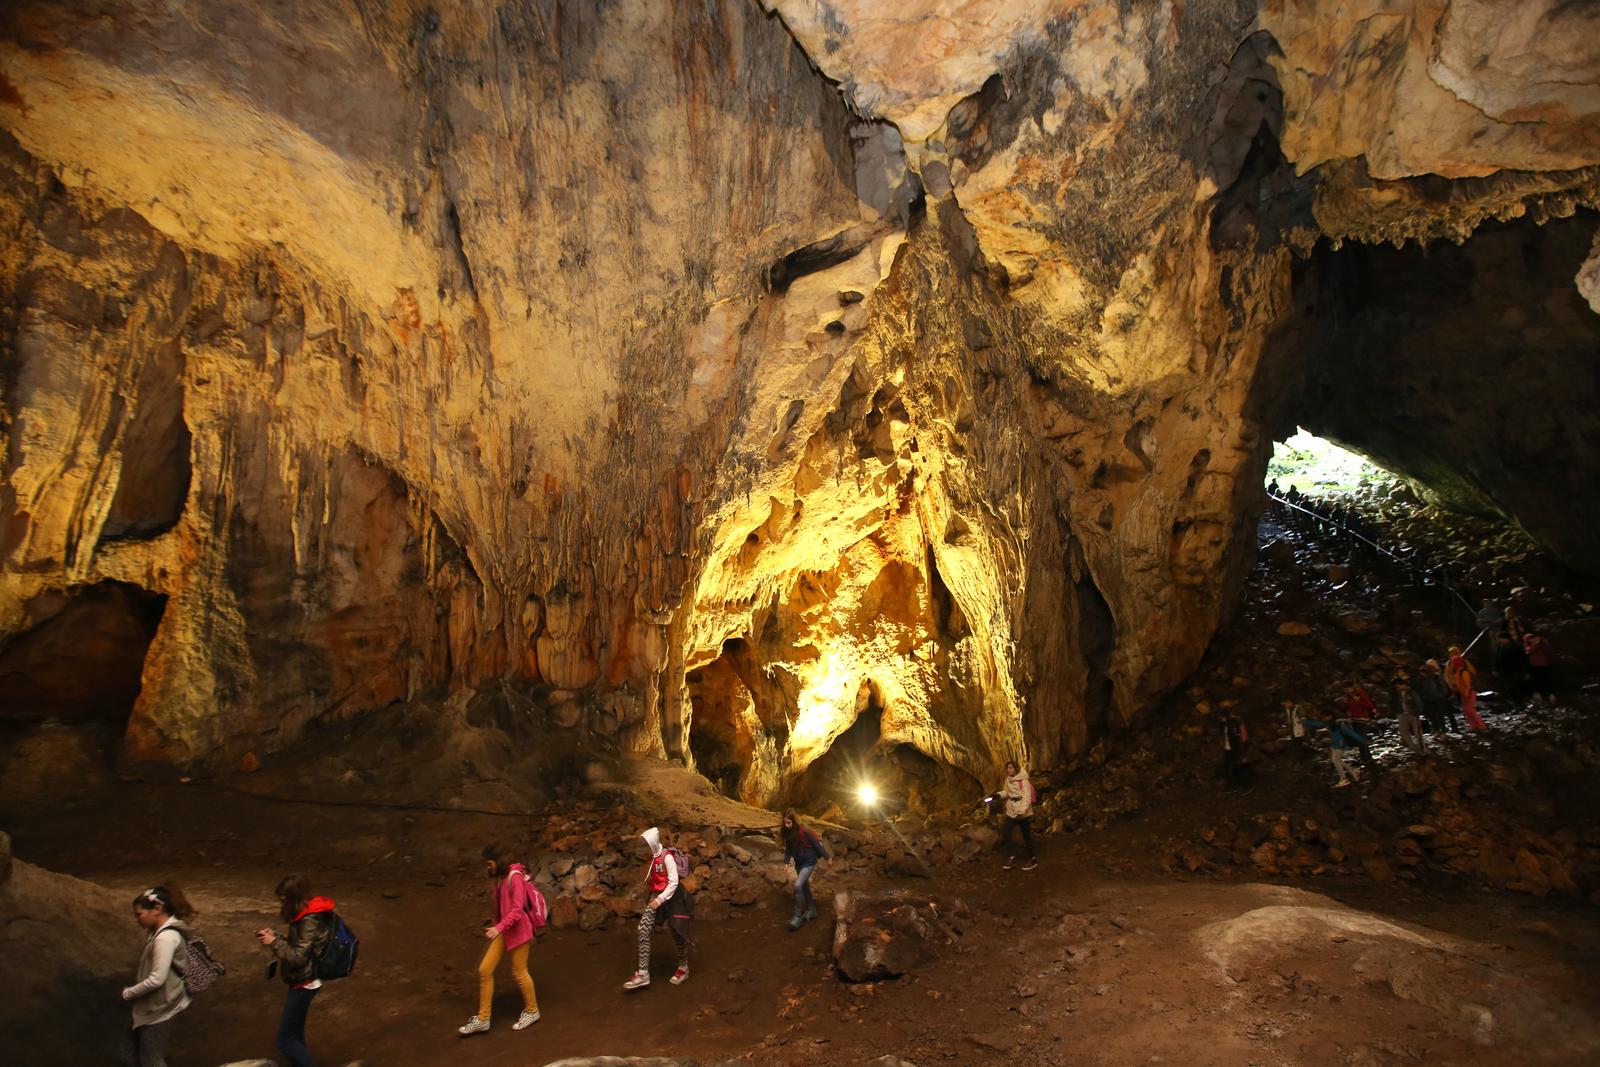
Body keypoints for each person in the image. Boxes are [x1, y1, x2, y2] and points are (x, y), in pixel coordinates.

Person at [458, 845, 540, 1036]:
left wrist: (498, 928)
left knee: (519, 972)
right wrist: (498, 927)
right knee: (485, 970)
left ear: (499, 862)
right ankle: (483, 1019)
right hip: (504, 930)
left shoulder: (515, 877)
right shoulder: (499, 879)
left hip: (519, 931)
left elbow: (517, 910)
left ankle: (532, 1010)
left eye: (489, 863)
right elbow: (500, 908)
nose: (487, 867)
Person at [257, 874, 334, 1067]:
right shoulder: (307, 914)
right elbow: (300, 945)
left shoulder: (309, 919)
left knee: (285, 1040)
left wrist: (274, 942)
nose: (281, 904)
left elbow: (298, 957)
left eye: (283, 900)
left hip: (304, 982)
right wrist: (277, 937)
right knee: (295, 1035)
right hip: (304, 979)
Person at [118, 885, 194, 1067]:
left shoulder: (165, 938)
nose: (137, 920)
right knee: (127, 1054)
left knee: (150, 1058)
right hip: (155, 1004)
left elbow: (157, 979)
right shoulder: (160, 932)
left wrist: (128, 993)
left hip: (162, 1008)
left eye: (139, 914)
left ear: (157, 910)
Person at [624, 827, 692, 991]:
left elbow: (674, 882)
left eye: (647, 845)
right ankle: (643, 973)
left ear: (653, 844)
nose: (644, 849)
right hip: (657, 897)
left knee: (677, 932)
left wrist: (660, 899)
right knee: (643, 928)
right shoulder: (654, 858)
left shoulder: (666, 858)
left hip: (673, 897)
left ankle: (683, 967)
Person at [780, 809, 831, 931]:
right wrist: (786, 863)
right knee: (804, 886)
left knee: (798, 886)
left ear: (794, 821)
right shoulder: (789, 833)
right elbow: (788, 849)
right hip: (799, 862)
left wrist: (827, 857)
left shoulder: (805, 830)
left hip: (809, 862)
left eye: (789, 823)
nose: (786, 826)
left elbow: (816, 845)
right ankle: (812, 910)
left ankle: (797, 918)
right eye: (785, 823)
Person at [1299, 716, 1365, 787]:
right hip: (1334, 744)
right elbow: (1318, 724)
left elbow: (1350, 733)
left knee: (1335, 760)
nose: (1324, 718)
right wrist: (1306, 722)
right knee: (1337, 760)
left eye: (1325, 717)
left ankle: (1344, 778)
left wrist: (1361, 740)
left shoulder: (1340, 723)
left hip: (1340, 744)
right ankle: (1353, 771)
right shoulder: (1330, 723)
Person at [995, 760, 1037, 871]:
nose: (1008, 770)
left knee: (1026, 836)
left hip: (1022, 813)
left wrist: (1021, 811)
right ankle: (1012, 857)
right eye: (1007, 768)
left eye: (1010, 768)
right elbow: (1007, 793)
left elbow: (1027, 798)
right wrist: (998, 795)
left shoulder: (1024, 781)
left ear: (1015, 768)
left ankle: (1032, 859)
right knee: (1005, 833)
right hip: (1011, 811)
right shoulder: (1008, 780)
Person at [1445, 645, 1485, 731]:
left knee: (1470, 709)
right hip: (1462, 691)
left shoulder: (1463, 671)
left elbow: (1467, 683)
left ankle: (1481, 725)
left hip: (1468, 692)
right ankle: (1473, 725)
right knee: (1466, 710)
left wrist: (1466, 693)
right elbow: (1449, 677)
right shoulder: (1452, 667)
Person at [1335, 685, 1377, 766]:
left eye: (1348, 688)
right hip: (1354, 719)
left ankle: (1366, 759)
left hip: (1362, 719)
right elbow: (1345, 707)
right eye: (1345, 689)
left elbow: (1369, 705)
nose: (1347, 690)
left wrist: (1358, 701)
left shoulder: (1360, 694)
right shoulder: (1347, 696)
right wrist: (1345, 703)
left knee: (1360, 738)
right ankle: (1367, 758)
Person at [1416, 659, 1456, 733]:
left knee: (1440, 715)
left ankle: (1443, 730)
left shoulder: (1436, 676)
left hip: (1438, 699)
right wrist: (1423, 696)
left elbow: (1443, 687)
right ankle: (1437, 730)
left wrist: (1441, 695)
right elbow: (1419, 688)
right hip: (1428, 699)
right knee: (1432, 716)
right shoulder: (1421, 679)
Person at [1391, 673, 1425, 754]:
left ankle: (1422, 749)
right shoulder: (1396, 694)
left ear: (1402, 685)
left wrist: (1417, 712)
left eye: (1398, 687)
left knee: (1417, 733)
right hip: (1402, 714)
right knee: (1403, 731)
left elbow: (1419, 703)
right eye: (1396, 687)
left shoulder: (1411, 692)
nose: (1397, 689)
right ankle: (1413, 747)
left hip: (1413, 714)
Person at [1220, 714, 1252, 790]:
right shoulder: (1224, 725)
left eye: (1221, 717)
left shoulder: (1234, 725)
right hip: (1228, 749)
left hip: (1236, 749)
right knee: (1229, 767)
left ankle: (1245, 786)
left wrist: (1242, 755)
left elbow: (1242, 739)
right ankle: (1232, 786)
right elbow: (1224, 736)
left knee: (1240, 767)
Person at [1524, 631, 1556, 705]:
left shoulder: (1540, 645)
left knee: (1547, 681)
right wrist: (1536, 643)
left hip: (1544, 665)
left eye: (1533, 638)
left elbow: (1549, 651)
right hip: (1534, 667)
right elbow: (1530, 650)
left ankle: (1551, 696)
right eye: (1531, 638)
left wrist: (1544, 643)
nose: (1533, 639)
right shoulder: (1528, 646)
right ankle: (1539, 698)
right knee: (1536, 682)